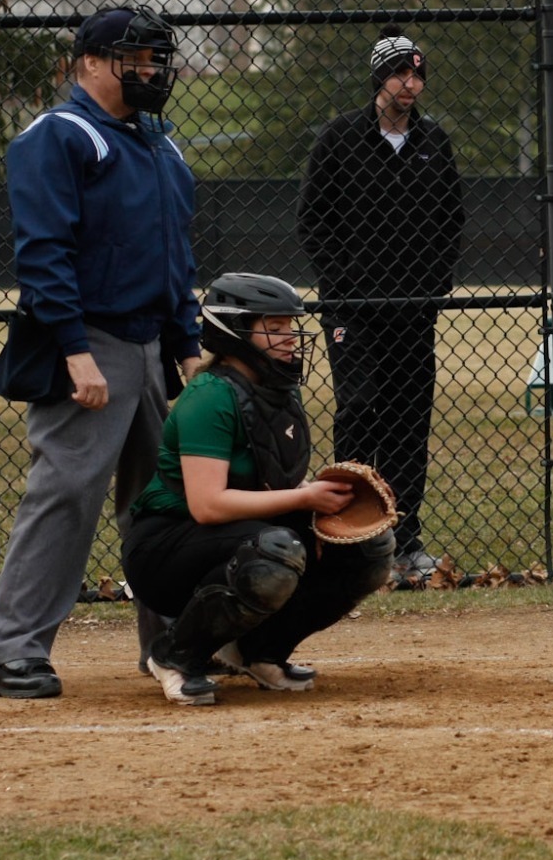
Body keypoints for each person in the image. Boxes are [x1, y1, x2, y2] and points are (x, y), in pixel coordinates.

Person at [0, 6, 202, 699]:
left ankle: (171, 642)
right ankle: (14, 650)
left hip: (152, 342)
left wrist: (188, 344)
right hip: (92, 339)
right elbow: (43, 254)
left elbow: (176, 255)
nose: (149, 71)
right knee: (67, 494)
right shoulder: (61, 135)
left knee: (164, 502)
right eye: (134, 58)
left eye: (155, 58)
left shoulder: (160, 143)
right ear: (89, 64)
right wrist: (74, 351)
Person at [122, 274, 394, 705]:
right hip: (166, 546)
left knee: (368, 549)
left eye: (290, 327)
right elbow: (207, 505)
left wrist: (320, 492)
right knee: (275, 552)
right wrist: (304, 499)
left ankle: (260, 652)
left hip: (233, 534)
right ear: (235, 332)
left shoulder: (274, 390)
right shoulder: (209, 396)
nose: (289, 338)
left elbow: (267, 482)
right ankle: (174, 655)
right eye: (274, 327)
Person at [297, 25, 465, 582]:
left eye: (417, 74)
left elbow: (451, 221)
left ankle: (403, 539)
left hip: (413, 311)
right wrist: (345, 283)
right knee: (361, 410)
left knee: (409, 420)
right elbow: (313, 220)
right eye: (399, 72)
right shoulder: (340, 139)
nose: (410, 84)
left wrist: (433, 284)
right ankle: (348, 533)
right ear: (379, 77)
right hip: (355, 310)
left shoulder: (433, 141)